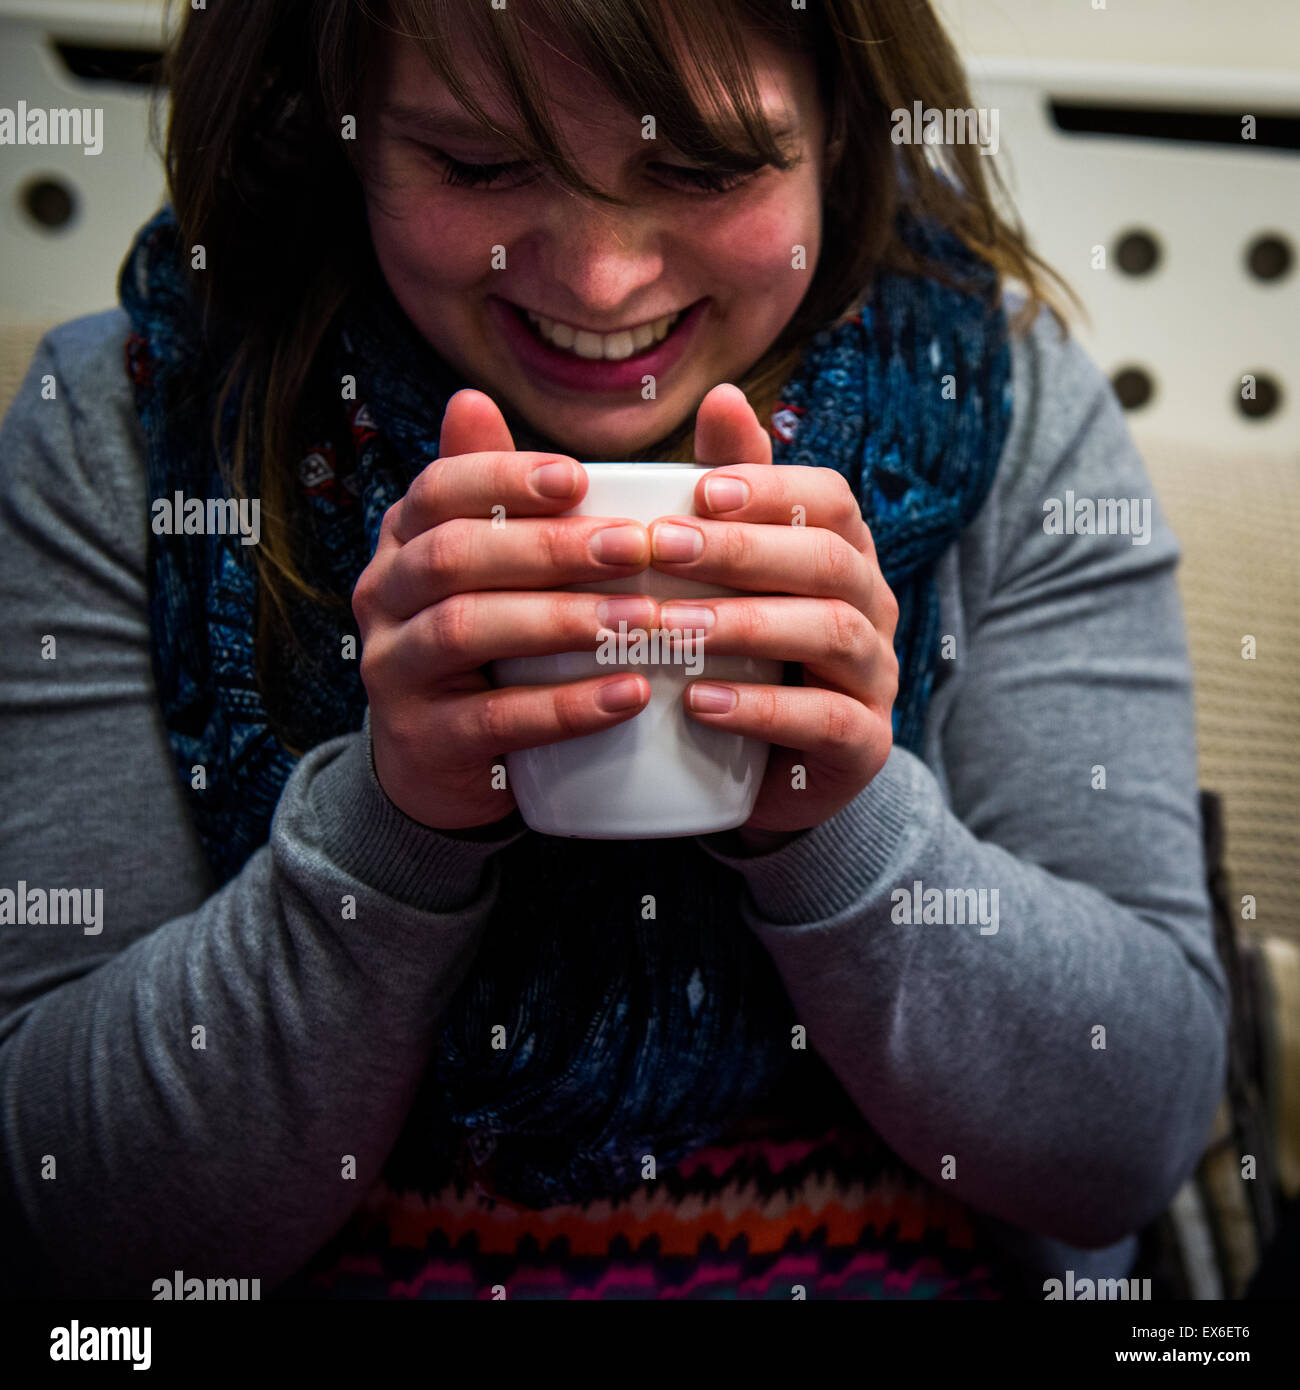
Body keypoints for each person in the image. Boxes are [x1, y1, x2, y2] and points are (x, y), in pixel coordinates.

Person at [0, 0, 1227, 1299]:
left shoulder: (1003, 412)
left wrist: (846, 825)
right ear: (332, 124)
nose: (600, 280)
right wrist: (389, 826)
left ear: (842, 134)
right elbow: (67, 1219)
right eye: (476, 165)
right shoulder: (134, 426)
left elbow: (1128, 1141)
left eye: (701, 168)